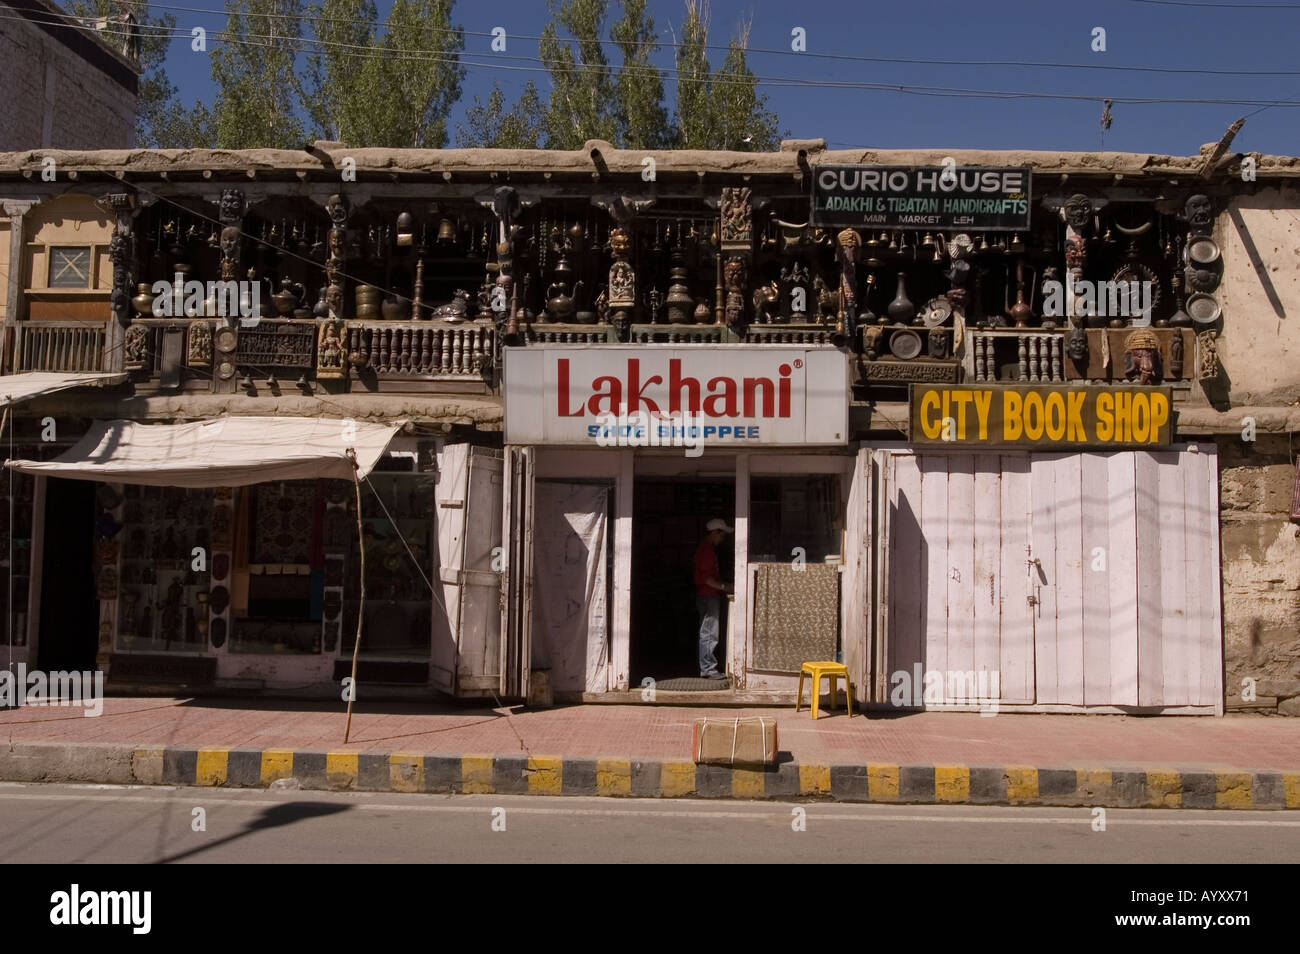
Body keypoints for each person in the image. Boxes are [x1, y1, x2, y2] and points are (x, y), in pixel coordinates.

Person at [693, 518, 733, 679]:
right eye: (722, 535)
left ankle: (707, 667)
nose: (723, 539)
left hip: (708, 595)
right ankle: (708, 669)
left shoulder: (707, 550)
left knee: (707, 631)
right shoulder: (706, 552)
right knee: (709, 633)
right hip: (708, 596)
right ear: (715, 532)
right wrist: (725, 587)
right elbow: (706, 578)